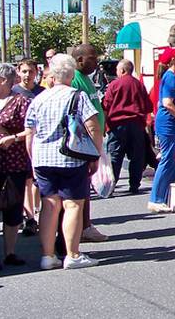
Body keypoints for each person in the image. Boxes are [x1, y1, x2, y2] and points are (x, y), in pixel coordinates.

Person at [24, 54, 104, 270]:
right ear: (70, 74)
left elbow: (30, 133)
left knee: (49, 205)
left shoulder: (39, 98)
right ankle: (73, 254)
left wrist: (33, 158)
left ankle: (48, 256)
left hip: (42, 158)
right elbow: (93, 126)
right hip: (70, 157)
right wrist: (96, 154)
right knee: (73, 204)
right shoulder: (76, 96)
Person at [70, 43, 108, 243]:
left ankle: (85, 225)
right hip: (84, 144)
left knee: (86, 188)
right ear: (79, 60)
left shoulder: (87, 79)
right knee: (82, 189)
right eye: (93, 58)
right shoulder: (75, 80)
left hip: (94, 141)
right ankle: (83, 227)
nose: (96, 62)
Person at [102, 59, 153, 195]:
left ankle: (111, 185)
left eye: (118, 70)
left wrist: (103, 126)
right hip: (136, 124)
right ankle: (134, 185)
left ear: (123, 70)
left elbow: (106, 106)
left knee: (115, 156)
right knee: (136, 157)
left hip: (117, 125)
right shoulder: (139, 85)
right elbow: (148, 106)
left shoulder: (114, 85)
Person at [0, 63, 32, 269]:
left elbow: (30, 129)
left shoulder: (21, 102)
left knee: (12, 208)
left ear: (3, 80)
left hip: (13, 162)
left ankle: (10, 253)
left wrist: (13, 138)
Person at [148, 46, 175, 213]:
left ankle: (163, 196)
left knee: (171, 160)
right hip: (169, 123)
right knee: (167, 159)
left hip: (170, 123)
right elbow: (167, 103)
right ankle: (156, 198)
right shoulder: (170, 77)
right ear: (173, 60)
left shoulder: (173, 77)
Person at [13, 58, 43, 236]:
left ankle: (37, 212)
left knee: (36, 181)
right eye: (24, 71)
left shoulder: (41, 92)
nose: (27, 75)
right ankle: (29, 217)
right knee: (26, 181)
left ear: (36, 72)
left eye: (30, 71)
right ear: (18, 72)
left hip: (39, 141)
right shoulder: (14, 92)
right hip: (19, 143)